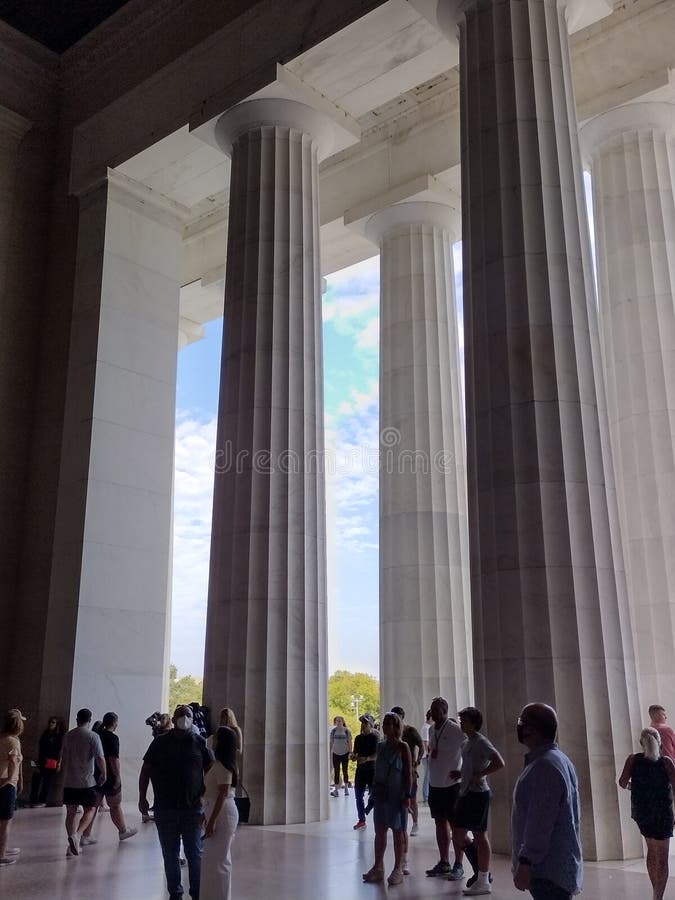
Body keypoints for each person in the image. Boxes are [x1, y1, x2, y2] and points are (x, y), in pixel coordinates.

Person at [139, 704, 212, 900]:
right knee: (170, 854)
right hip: (165, 808)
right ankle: (175, 893)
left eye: (188, 714)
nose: (184, 717)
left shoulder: (200, 743)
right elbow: (145, 770)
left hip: (193, 809)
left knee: (195, 854)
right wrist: (142, 797)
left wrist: (206, 799)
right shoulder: (160, 742)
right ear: (173, 718)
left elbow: (212, 772)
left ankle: (196, 893)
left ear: (192, 719)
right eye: (180, 714)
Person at [511, 703, 582, 900]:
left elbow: (539, 822)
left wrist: (525, 861)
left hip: (547, 869)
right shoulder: (557, 759)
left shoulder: (544, 766)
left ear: (531, 729)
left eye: (522, 722)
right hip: (554, 866)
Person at [452, 706, 504, 895]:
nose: (460, 723)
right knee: (458, 835)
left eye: (463, 720)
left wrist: (481, 774)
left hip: (478, 794)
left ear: (473, 722)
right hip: (466, 793)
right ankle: (482, 871)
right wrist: (461, 774)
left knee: (480, 835)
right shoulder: (467, 742)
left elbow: (499, 762)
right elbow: (469, 766)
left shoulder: (482, 742)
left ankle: (483, 879)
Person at [619, 726, 675, 900]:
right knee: (662, 857)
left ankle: (655, 892)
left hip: (643, 813)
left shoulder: (633, 760)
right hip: (663, 813)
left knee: (651, 851)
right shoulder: (666, 762)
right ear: (659, 742)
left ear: (641, 743)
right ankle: (658, 896)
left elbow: (622, 782)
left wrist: (636, 787)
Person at [362, 711, 412, 887]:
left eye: (391, 723)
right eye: (385, 723)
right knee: (380, 832)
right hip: (381, 794)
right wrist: (373, 792)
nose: (387, 726)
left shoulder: (403, 747)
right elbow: (378, 770)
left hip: (397, 796)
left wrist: (408, 795)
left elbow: (408, 773)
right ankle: (378, 867)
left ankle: (398, 868)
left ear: (397, 726)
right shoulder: (381, 746)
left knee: (398, 833)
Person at [425, 696, 466, 880]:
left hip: (452, 786)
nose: (433, 713)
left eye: (437, 710)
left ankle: (458, 864)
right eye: (432, 709)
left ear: (445, 711)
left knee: (457, 826)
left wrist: (463, 772)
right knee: (440, 823)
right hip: (436, 784)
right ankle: (444, 862)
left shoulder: (455, 730)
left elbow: (469, 748)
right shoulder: (432, 730)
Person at [81, 712, 137, 845]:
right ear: (115, 723)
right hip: (109, 776)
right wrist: (117, 776)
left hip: (95, 775)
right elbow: (113, 759)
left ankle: (85, 834)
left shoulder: (96, 736)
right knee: (115, 805)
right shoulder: (113, 738)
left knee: (92, 807)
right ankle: (122, 831)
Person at [60, 707, 106, 857]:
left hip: (69, 780)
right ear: (89, 720)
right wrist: (104, 773)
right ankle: (78, 835)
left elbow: (63, 757)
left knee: (71, 813)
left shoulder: (68, 735)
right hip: (87, 781)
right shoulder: (93, 736)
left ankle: (71, 845)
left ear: (77, 719)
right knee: (91, 809)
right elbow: (99, 757)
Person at [201, 727, 239, 900]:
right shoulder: (218, 763)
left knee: (219, 861)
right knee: (211, 860)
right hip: (214, 811)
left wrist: (212, 821)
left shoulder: (224, 766)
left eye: (216, 738)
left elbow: (223, 793)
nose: (212, 740)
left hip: (223, 814)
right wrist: (205, 815)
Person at [391, 706, 423, 842]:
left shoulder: (410, 731)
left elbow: (421, 745)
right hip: (396, 770)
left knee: (412, 798)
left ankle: (415, 823)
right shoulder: (391, 733)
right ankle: (399, 824)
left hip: (409, 769)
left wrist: (418, 760)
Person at [0, 709, 26, 867]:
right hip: (7, 785)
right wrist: (11, 780)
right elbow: (13, 763)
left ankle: (2, 847)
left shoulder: (2, 738)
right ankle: (1, 854)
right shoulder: (13, 741)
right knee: (5, 821)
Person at [351, 713, 378, 830]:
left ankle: (370, 807)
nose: (363, 725)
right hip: (360, 770)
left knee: (375, 794)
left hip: (372, 769)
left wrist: (366, 759)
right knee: (358, 796)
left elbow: (377, 755)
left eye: (366, 723)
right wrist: (353, 756)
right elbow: (355, 753)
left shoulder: (374, 738)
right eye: (362, 723)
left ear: (371, 725)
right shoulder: (358, 738)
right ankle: (361, 819)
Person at [29, 715, 63, 807]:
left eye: (53, 722)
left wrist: (59, 763)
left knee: (47, 782)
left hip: (52, 761)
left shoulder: (58, 736)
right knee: (36, 778)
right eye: (50, 722)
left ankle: (42, 800)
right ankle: (33, 799)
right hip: (42, 760)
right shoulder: (45, 733)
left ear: (57, 724)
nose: (50, 724)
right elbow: (40, 748)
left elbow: (60, 750)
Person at [330, 716, 352, 797]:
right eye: (337, 721)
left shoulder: (347, 731)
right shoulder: (333, 731)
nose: (338, 722)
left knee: (345, 771)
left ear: (343, 722)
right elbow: (331, 742)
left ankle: (346, 788)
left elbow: (350, 742)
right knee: (336, 771)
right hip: (336, 753)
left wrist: (350, 752)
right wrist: (330, 751)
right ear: (335, 722)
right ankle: (336, 789)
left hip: (345, 753)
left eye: (340, 721)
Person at [421, 709, 433, 804]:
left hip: (428, 755)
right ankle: (426, 795)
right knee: (428, 776)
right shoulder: (426, 728)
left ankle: (427, 795)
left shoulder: (428, 727)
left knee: (429, 775)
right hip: (427, 756)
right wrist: (429, 753)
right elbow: (425, 742)